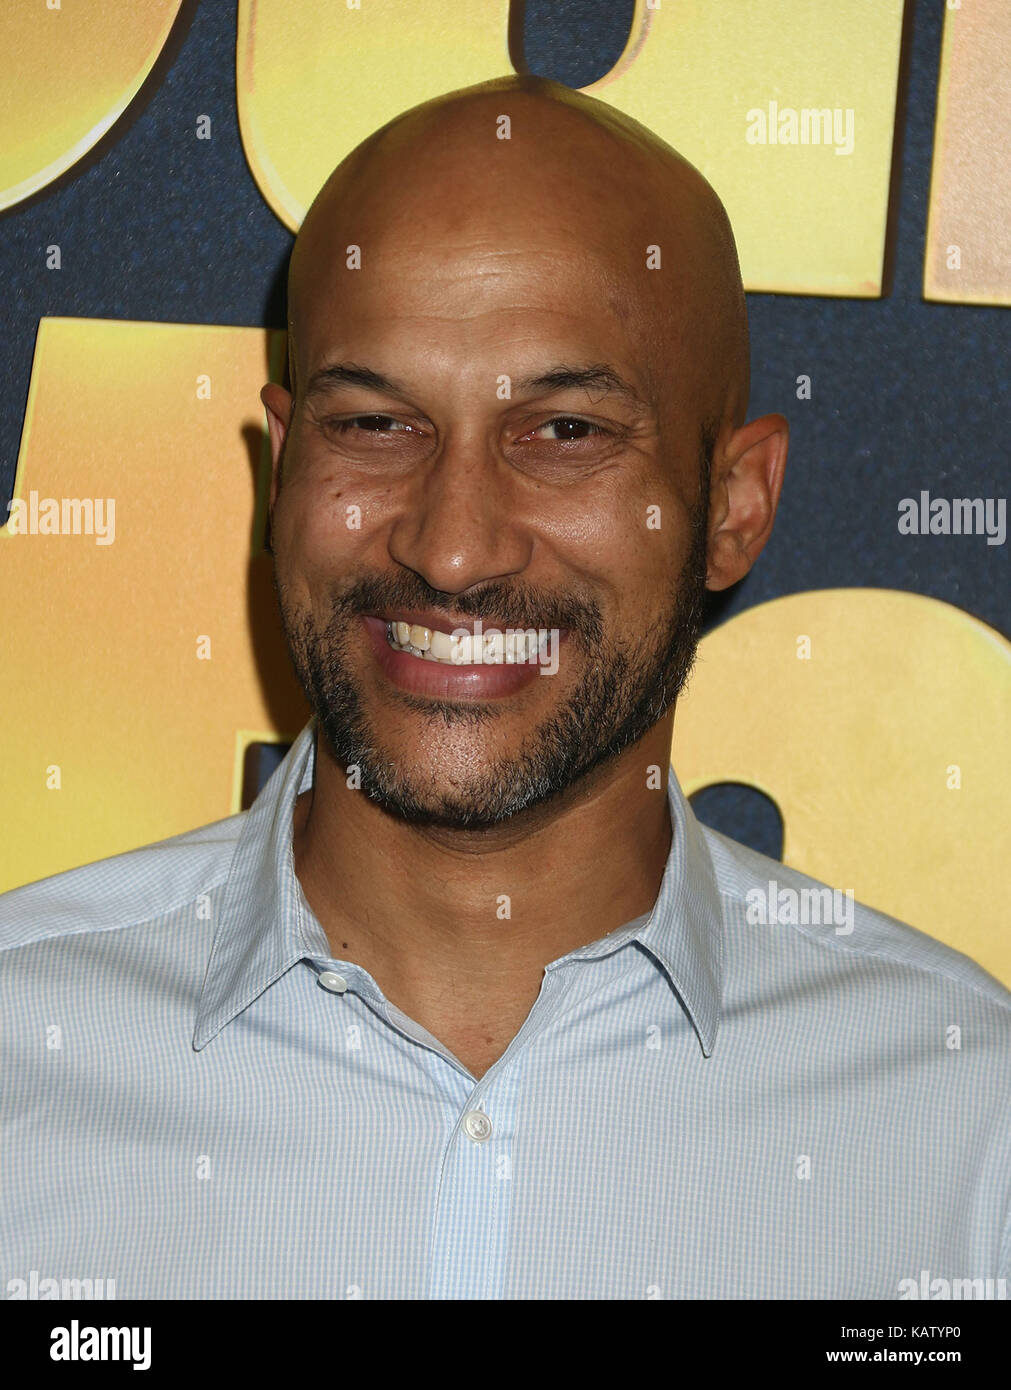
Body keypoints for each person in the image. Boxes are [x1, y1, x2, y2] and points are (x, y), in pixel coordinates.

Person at [2, 76, 1008, 1302]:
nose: (453, 546)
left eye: (567, 431)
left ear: (734, 506)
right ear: (282, 473)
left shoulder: (966, 1123)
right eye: (375, 423)